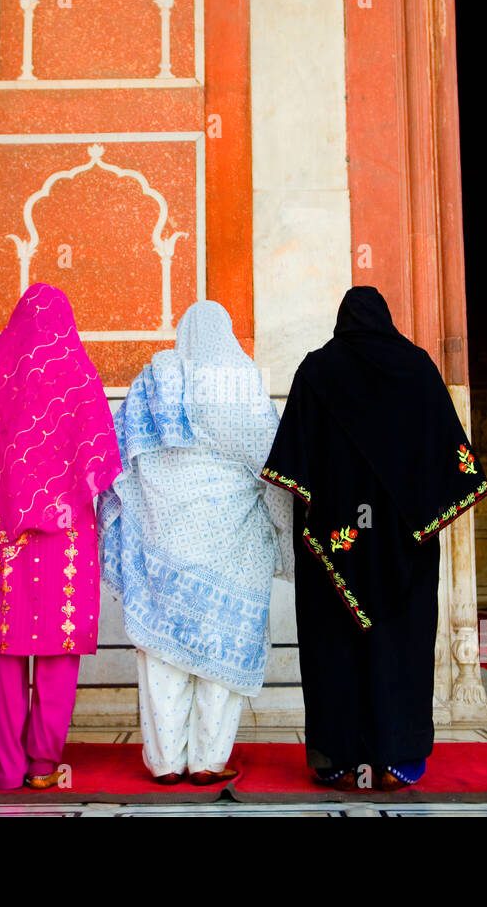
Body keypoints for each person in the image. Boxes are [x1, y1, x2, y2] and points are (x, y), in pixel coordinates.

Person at [260, 286, 487, 790]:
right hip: (403, 549)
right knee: (399, 644)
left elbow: (293, 468)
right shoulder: (418, 369)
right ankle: (398, 759)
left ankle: (336, 759)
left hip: (331, 552)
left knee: (333, 646)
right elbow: (451, 464)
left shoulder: (316, 371)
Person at [98, 301, 293, 785]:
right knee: (220, 647)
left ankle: (165, 762)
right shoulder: (242, 380)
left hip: (163, 540)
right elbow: (272, 464)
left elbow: (117, 459)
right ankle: (207, 760)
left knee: (164, 655)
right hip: (234, 544)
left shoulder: (153, 378)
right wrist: (285, 533)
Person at [0, 283, 122, 790]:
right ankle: (43, 766)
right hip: (65, 534)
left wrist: (3, 498)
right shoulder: (78, 371)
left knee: (5, 649)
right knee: (58, 648)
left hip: (3, 537)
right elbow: (102, 462)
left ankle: (7, 768)